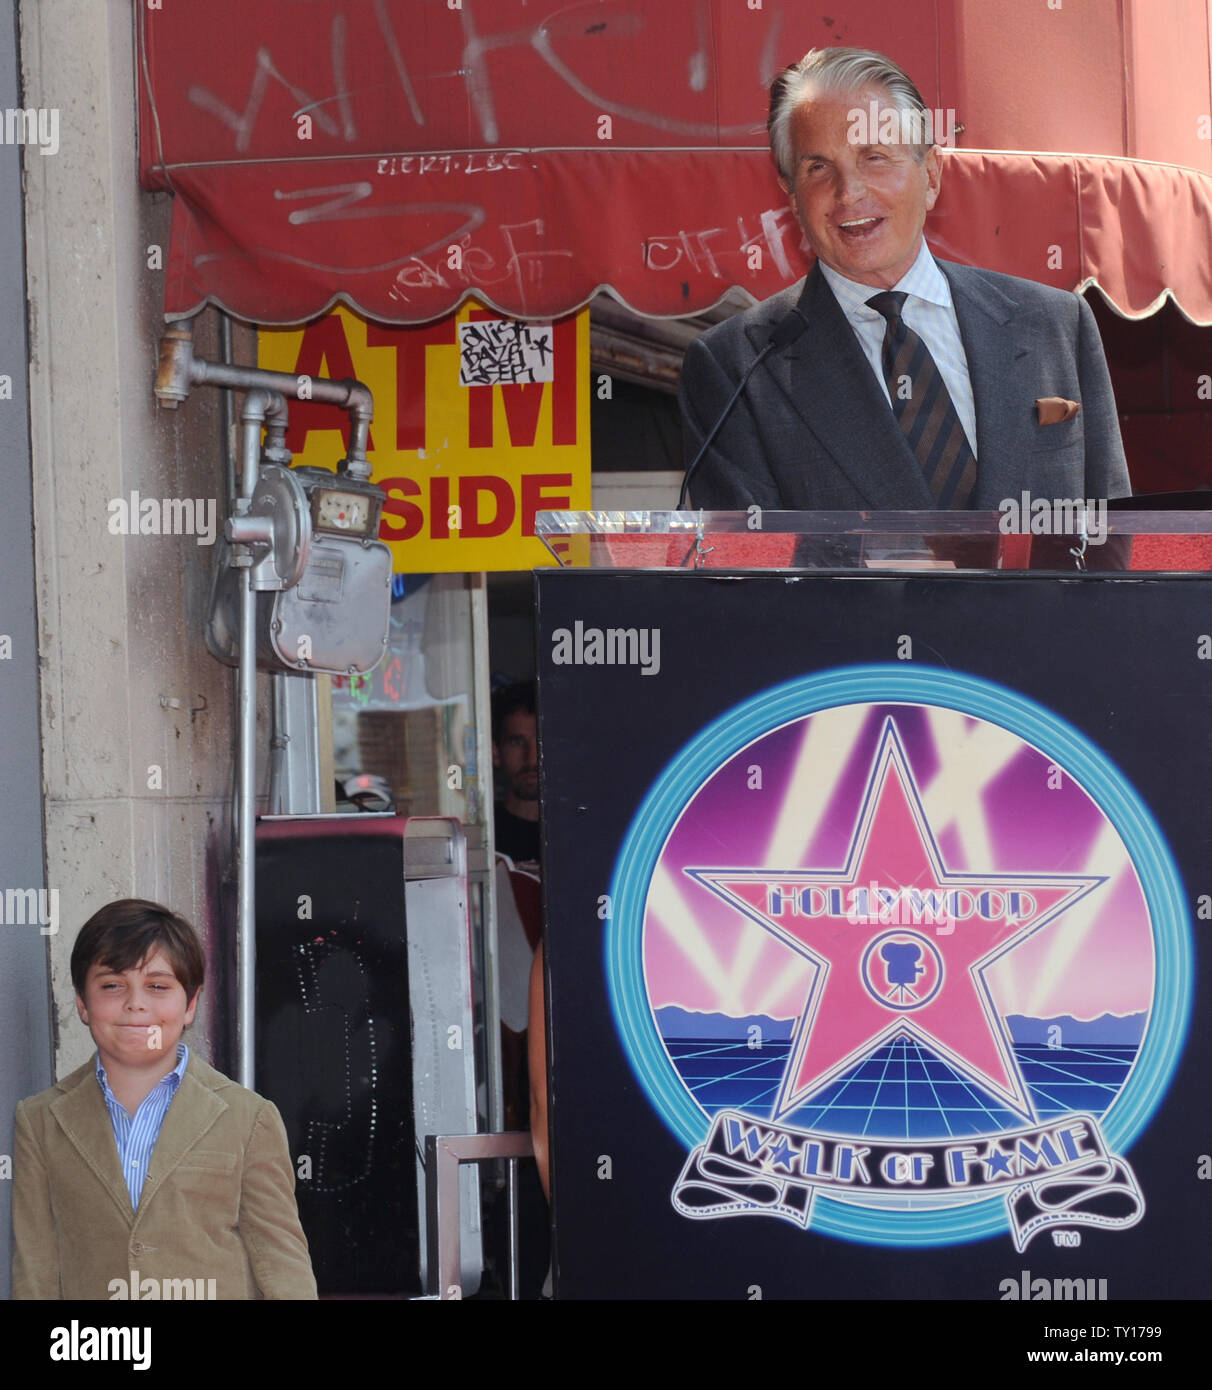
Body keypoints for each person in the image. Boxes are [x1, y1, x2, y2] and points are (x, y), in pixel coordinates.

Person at [680, 46, 1131, 511]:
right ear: (792, 198)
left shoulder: (1055, 324)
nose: (849, 192)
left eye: (874, 157)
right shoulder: (736, 366)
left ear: (931, 174)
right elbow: (751, 576)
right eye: (818, 168)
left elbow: (1116, 545)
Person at [12, 898, 317, 1300]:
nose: (136, 1003)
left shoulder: (248, 1118)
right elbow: (35, 1272)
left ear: (190, 1004)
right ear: (83, 1004)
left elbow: (282, 1264)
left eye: (157, 986)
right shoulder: (40, 1121)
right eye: (111, 985)